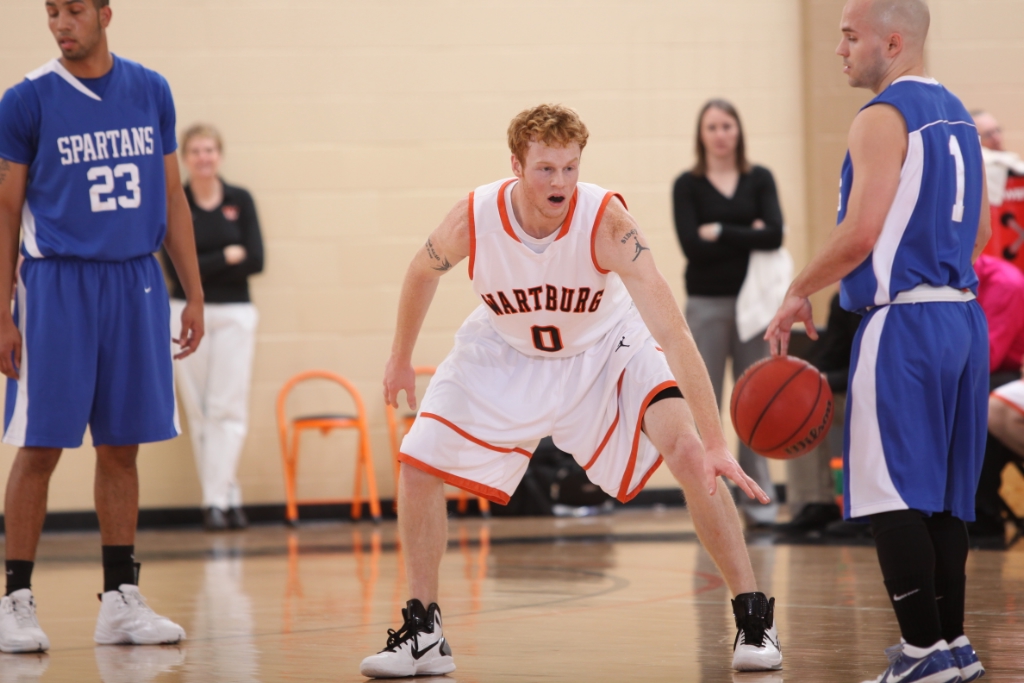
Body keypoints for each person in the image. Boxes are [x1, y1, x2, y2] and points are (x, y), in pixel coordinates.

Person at [361, 104, 782, 678]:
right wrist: (400, 358)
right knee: (418, 462)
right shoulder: (476, 216)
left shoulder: (608, 223)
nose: (560, 183)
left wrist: (714, 440)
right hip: (505, 349)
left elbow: (674, 332)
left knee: (688, 452)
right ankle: (424, 630)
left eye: (570, 168)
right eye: (545, 170)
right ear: (516, 165)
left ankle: (753, 617)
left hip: (605, 347)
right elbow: (420, 271)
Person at [765, 1, 990, 682]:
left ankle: (923, 654)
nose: (840, 49)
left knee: (889, 491)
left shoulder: (881, 118)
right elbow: (978, 235)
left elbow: (861, 232)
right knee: (945, 498)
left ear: (892, 42)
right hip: (964, 320)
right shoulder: (959, 116)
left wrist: (799, 287)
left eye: (850, 35)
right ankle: (951, 644)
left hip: (906, 326)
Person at [0, 0, 203, 652]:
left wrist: (192, 291)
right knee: (41, 444)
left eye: (74, 10)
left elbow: (172, 195)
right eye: (52, 11)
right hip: (56, 282)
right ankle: (14, 598)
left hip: (135, 279)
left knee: (123, 443)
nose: (62, 23)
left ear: (105, 13)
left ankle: (120, 596)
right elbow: (5, 208)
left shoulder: (150, 89)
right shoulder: (25, 100)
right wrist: (2, 306)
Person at [672, 100, 784, 527]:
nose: (720, 134)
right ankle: (710, 497)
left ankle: (759, 497)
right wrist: (747, 233)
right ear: (702, 136)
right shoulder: (688, 185)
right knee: (706, 402)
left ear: (738, 131)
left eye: (727, 125)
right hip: (707, 304)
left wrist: (718, 231)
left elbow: (773, 235)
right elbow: (691, 246)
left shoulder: (760, 179)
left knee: (754, 403)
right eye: (711, 127)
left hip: (755, 305)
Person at [163, 124, 264, 531]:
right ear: (186, 158)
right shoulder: (175, 201)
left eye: (210, 150)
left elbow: (256, 259)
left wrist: (201, 262)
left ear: (219, 155)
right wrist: (227, 254)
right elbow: (172, 267)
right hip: (185, 311)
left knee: (227, 407)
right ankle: (226, 496)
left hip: (236, 313)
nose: (204, 157)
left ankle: (215, 501)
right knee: (200, 411)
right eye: (196, 151)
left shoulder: (240, 199)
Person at [774, 293, 860, 536]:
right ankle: (816, 503)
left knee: (870, 410)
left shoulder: (891, 298)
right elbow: (831, 352)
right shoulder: (844, 299)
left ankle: (870, 509)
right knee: (799, 409)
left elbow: (877, 365)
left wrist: (825, 380)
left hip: (887, 392)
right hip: (850, 389)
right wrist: (805, 378)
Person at [972, 110, 1024, 271]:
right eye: (988, 134)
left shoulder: (1012, 163)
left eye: (997, 130)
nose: (996, 138)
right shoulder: (974, 170)